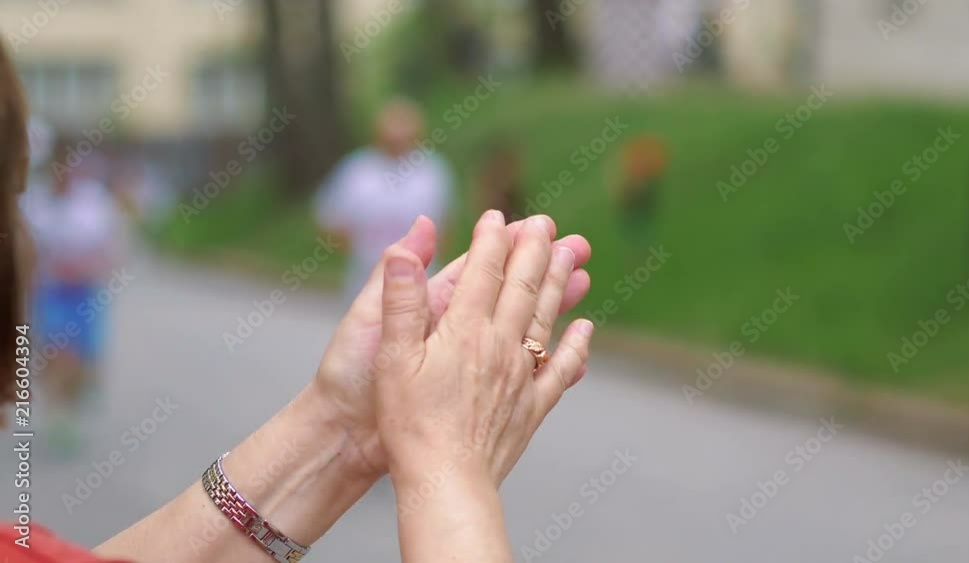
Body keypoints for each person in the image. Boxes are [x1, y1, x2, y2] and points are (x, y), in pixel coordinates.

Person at [0, 38, 595, 563]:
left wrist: (339, 426)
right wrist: (451, 468)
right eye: (14, 197)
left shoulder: (432, 172)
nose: (29, 236)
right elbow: (330, 224)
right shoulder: (358, 174)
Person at [19, 140, 128, 456]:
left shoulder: (93, 203)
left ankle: (77, 397)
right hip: (51, 292)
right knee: (58, 354)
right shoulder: (37, 202)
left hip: (86, 294)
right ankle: (59, 416)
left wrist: (91, 266)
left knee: (83, 361)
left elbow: (113, 250)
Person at [314, 97, 454, 298]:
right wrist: (360, 251)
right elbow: (330, 218)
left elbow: (447, 223)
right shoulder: (356, 169)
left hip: (421, 281)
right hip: (364, 281)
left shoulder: (433, 171)